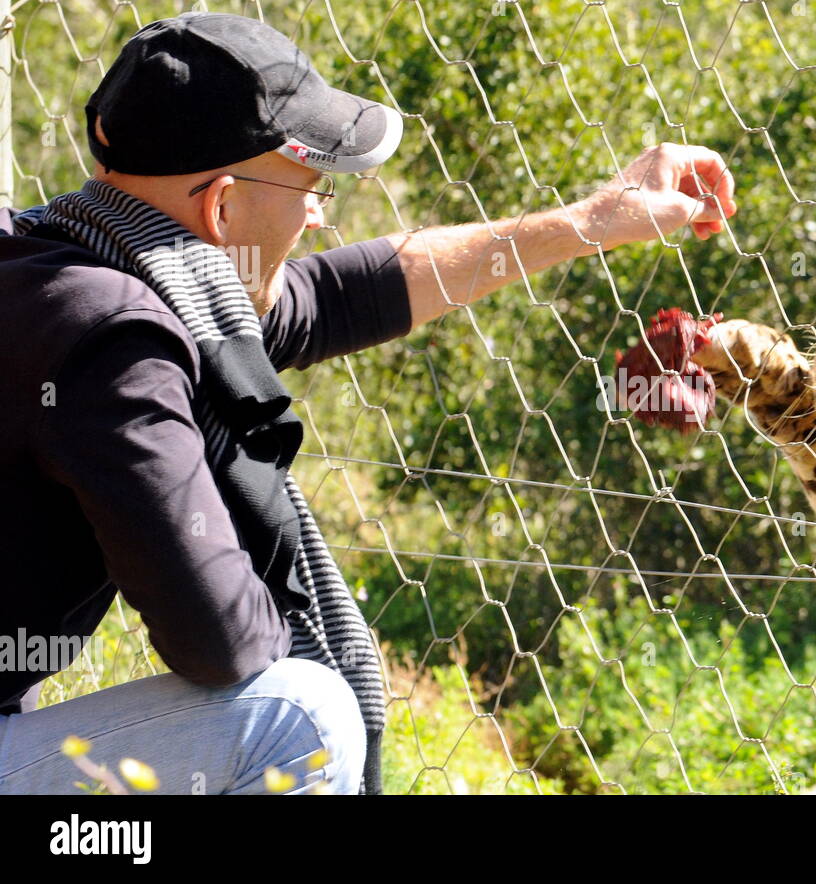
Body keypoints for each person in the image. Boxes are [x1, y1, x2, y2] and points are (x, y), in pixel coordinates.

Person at [0, 12, 737, 794]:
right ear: (220, 211)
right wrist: (311, 629)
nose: (319, 217)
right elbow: (216, 638)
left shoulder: (76, 260)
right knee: (305, 714)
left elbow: (353, 292)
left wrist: (600, 219)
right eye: (312, 188)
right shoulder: (118, 346)